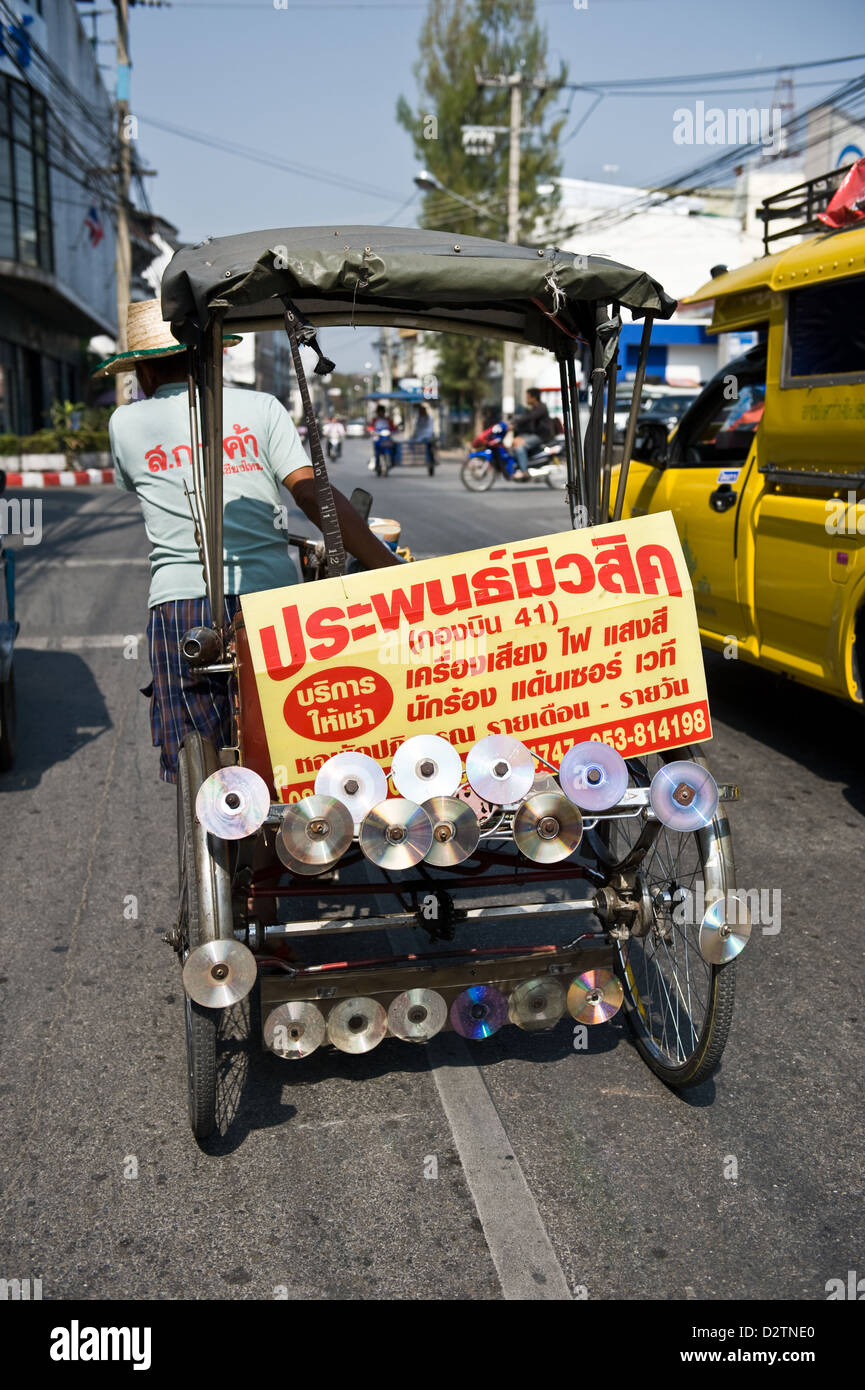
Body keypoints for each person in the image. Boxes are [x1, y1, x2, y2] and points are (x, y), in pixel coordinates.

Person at [96, 299, 401, 785]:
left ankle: (216, 837)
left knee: (202, 751)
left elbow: (138, 484)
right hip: (273, 603)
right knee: (297, 739)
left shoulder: (125, 424)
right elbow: (311, 493)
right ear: (209, 355)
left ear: (146, 374)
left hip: (181, 606)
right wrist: (388, 569)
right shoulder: (261, 407)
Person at [511, 387, 555, 479]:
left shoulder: (541, 407)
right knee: (515, 440)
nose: (526, 399)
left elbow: (529, 418)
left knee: (519, 444)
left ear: (534, 397)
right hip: (536, 434)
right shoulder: (534, 408)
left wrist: (515, 422)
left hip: (542, 436)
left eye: (528, 397)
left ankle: (524, 471)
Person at [411, 404, 437, 475]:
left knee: (429, 447)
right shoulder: (418, 419)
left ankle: (431, 460)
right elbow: (417, 429)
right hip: (419, 436)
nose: (420, 412)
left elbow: (430, 429)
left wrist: (426, 436)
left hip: (427, 436)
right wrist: (414, 436)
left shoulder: (429, 418)